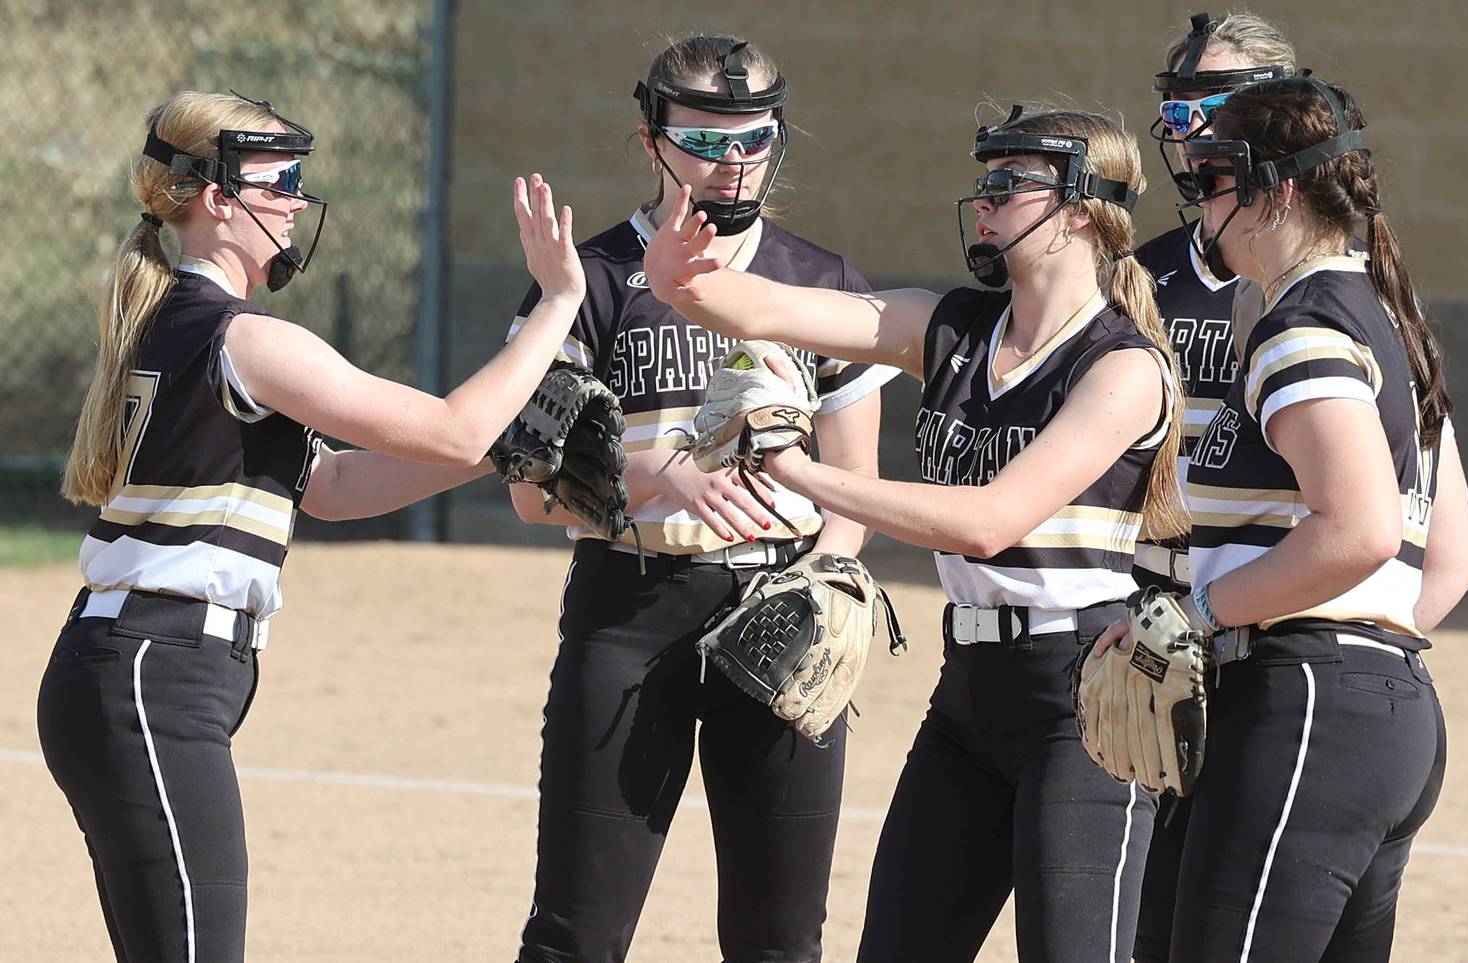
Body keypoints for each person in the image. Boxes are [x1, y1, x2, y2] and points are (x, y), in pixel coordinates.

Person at [37, 90, 583, 963]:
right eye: (279, 178)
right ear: (217, 198)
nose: (296, 199)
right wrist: (558, 302)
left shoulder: (176, 316)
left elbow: (326, 485)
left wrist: (502, 452)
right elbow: (452, 425)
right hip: (153, 674)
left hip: (146, 670)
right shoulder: (243, 336)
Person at [646, 104, 1186, 962]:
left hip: (1081, 699)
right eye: (984, 182)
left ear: (1081, 209)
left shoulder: (1122, 366)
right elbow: (764, 307)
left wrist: (799, 472)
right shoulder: (953, 328)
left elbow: (989, 523)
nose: (984, 200)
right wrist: (679, 274)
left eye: (1011, 183)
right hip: (968, 689)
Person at [503, 36, 896, 963]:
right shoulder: (586, 282)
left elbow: (857, 487)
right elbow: (530, 494)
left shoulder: (823, 283)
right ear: (651, 141)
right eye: (705, 139)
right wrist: (658, 471)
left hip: (781, 604)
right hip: (629, 609)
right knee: (575, 933)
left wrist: (830, 578)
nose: (735, 161)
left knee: (781, 940)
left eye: (753, 138)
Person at [1095, 76, 1468, 960]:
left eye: (1213, 183)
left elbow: (1359, 531)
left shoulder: (1305, 325)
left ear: (1281, 189)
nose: (1203, 209)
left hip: (1305, 706)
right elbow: (1449, 560)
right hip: (1371, 710)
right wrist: (1365, 659)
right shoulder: (1389, 316)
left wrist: (1197, 617)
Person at [1129, 13, 1298, 961]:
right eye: (1179, 104)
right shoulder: (1135, 279)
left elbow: (1428, 520)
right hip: (1146, 634)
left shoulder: (1320, 281)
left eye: (1215, 103)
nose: (1190, 126)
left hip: (1274, 642)